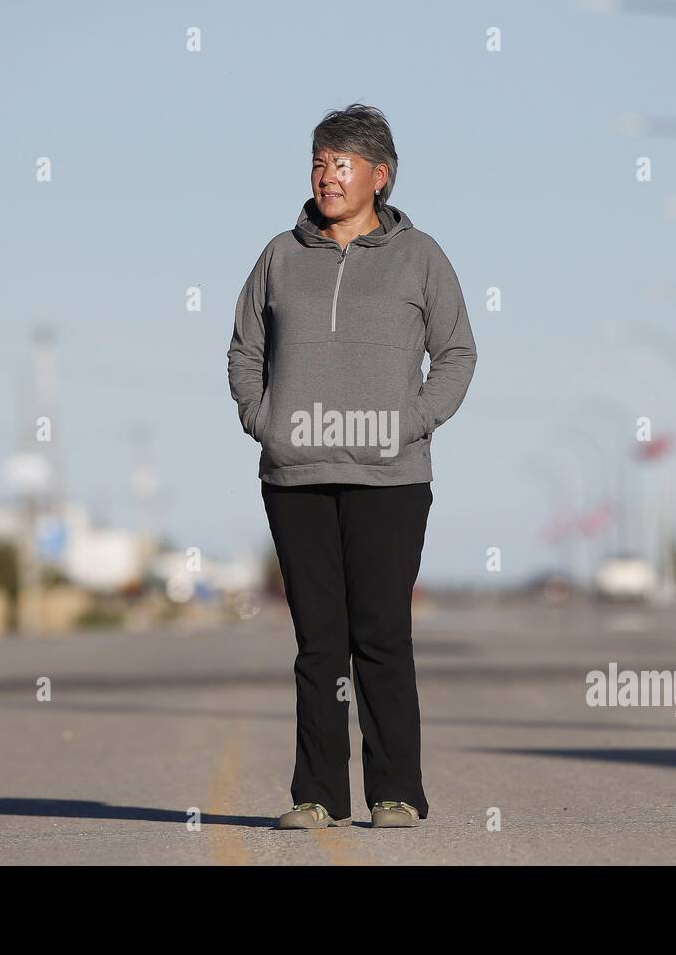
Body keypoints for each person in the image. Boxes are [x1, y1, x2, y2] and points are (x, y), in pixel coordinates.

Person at [226, 103, 477, 829]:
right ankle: (316, 796)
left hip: (389, 478)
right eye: (318, 162)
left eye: (341, 163)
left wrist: (415, 423)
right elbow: (244, 348)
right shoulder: (280, 255)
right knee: (318, 643)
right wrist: (262, 420)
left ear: (380, 175)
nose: (326, 176)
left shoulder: (420, 256)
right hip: (296, 476)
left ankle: (397, 790)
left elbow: (457, 351)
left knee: (380, 634)